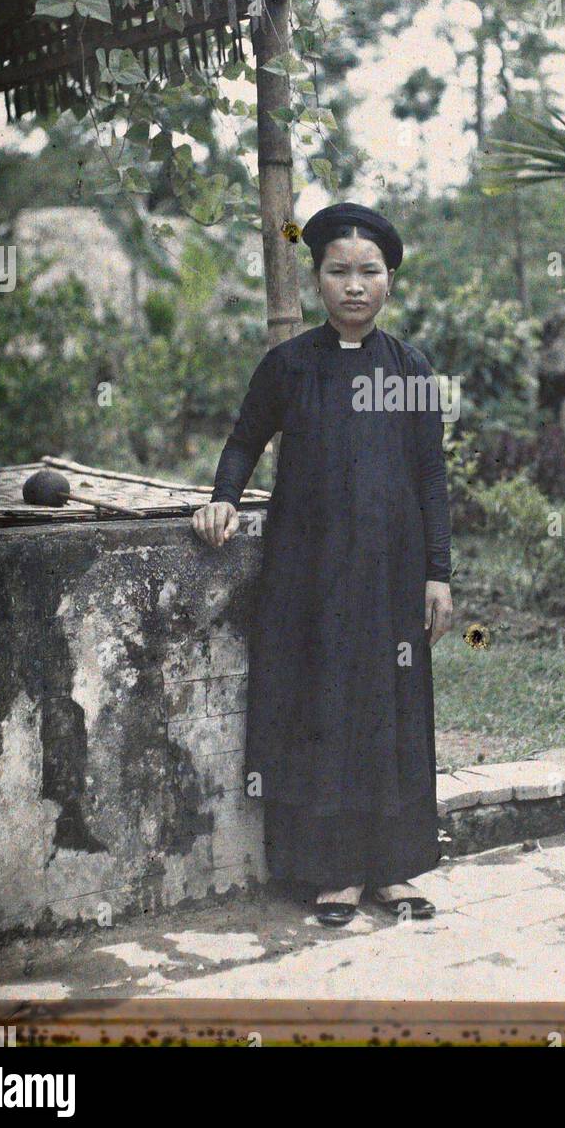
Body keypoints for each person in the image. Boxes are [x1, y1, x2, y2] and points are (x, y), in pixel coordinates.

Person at [192, 202, 453, 928]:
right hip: (307, 577)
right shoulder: (289, 365)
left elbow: (430, 476)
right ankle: (332, 873)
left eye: (369, 271)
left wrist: (439, 573)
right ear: (317, 280)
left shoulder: (409, 370)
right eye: (338, 271)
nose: (355, 285)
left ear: (390, 282)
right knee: (320, 711)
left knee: (391, 713)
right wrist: (221, 500)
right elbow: (244, 441)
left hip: (391, 576)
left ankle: (392, 867)